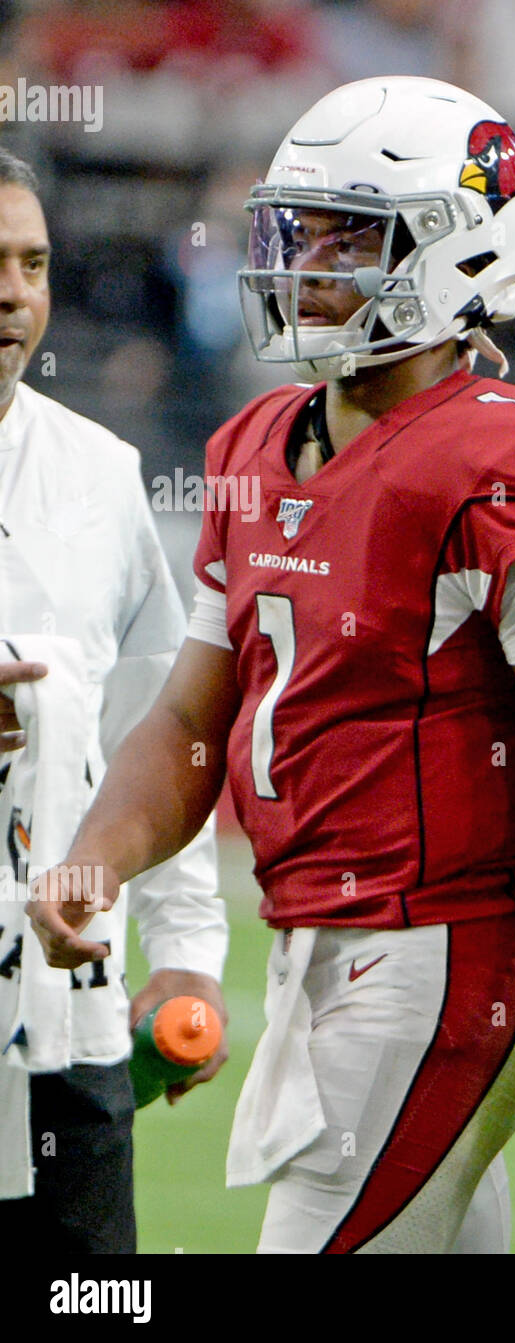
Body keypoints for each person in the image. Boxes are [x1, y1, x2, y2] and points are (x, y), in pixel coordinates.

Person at [27, 77, 515, 1255]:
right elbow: (188, 724)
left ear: (462, 248)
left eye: (351, 236)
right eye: (299, 230)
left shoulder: (514, 458)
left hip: (441, 957)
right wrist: (97, 862)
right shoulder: (253, 441)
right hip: (320, 950)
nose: (310, 263)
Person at [0, 147, 227, 1253]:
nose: (14, 293)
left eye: (34, 263)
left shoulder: (101, 475)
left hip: (68, 1014)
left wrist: (187, 948)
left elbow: (160, 725)